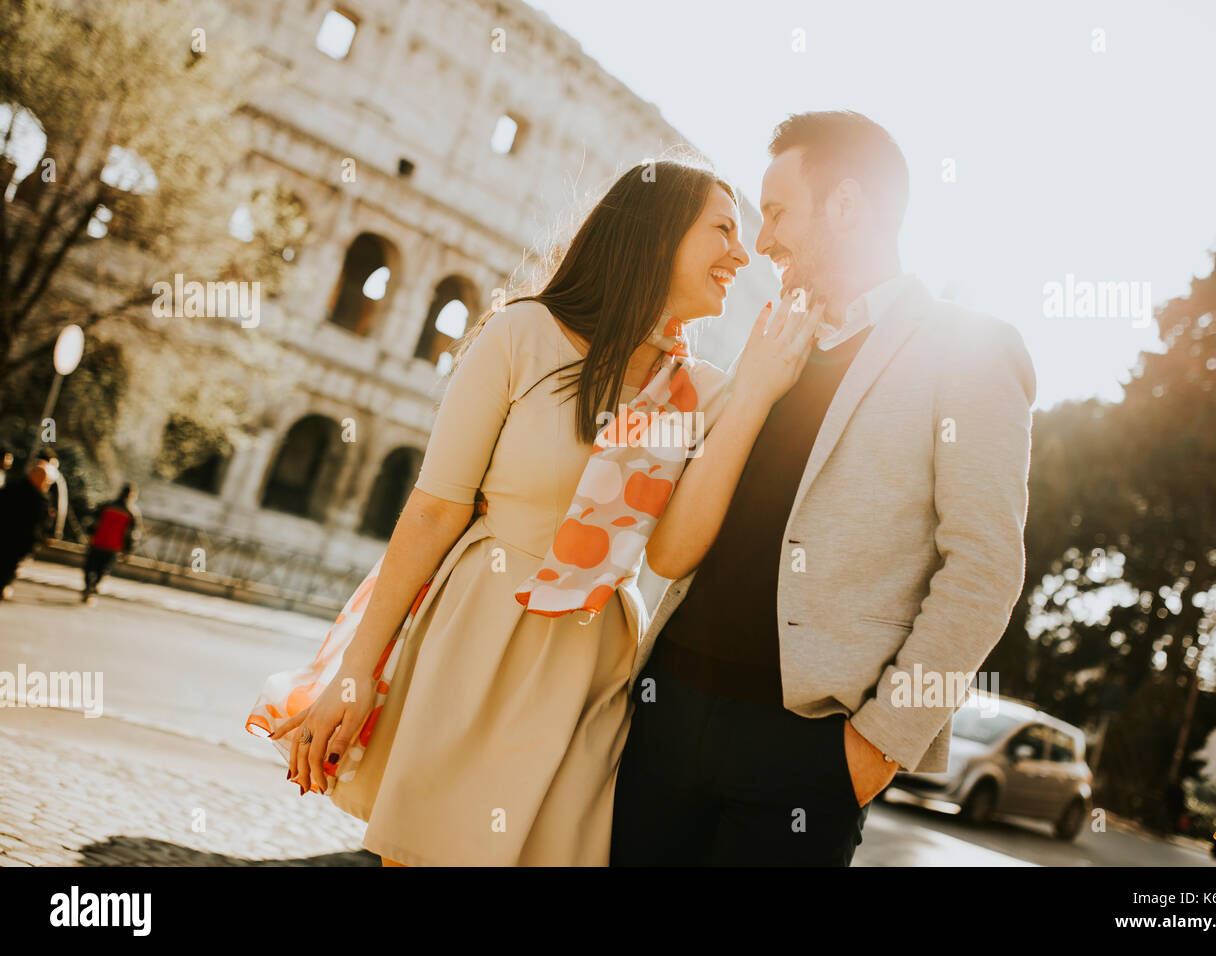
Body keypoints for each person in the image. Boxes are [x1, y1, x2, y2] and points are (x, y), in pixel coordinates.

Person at [255, 157, 820, 866]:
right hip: (475, 632)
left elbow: (672, 555)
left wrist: (757, 396)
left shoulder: (701, 392)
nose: (742, 253)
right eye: (722, 230)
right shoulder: (523, 334)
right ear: (656, 234)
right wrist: (354, 672)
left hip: (591, 663)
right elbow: (433, 512)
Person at [612, 110, 1037, 866]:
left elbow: (983, 567)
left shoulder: (968, 350)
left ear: (845, 206)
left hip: (804, 755)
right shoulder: (770, 336)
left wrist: (875, 748)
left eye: (776, 213)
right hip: (664, 715)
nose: (761, 240)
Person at [0, 450, 59, 601]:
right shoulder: (43, 500)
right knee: (9, 568)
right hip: (20, 542)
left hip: (8, 537)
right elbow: (44, 524)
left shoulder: (13, 488)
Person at [81, 482, 143, 604]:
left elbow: (92, 521)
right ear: (132, 496)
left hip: (98, 541)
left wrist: (90, 534)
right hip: (113, 546)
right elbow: (132, 534)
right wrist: (128, 551)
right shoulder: (132, 513)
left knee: (89, 567)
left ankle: (88, 586)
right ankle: (93, 588)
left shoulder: (106, 505)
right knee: (103, 570)